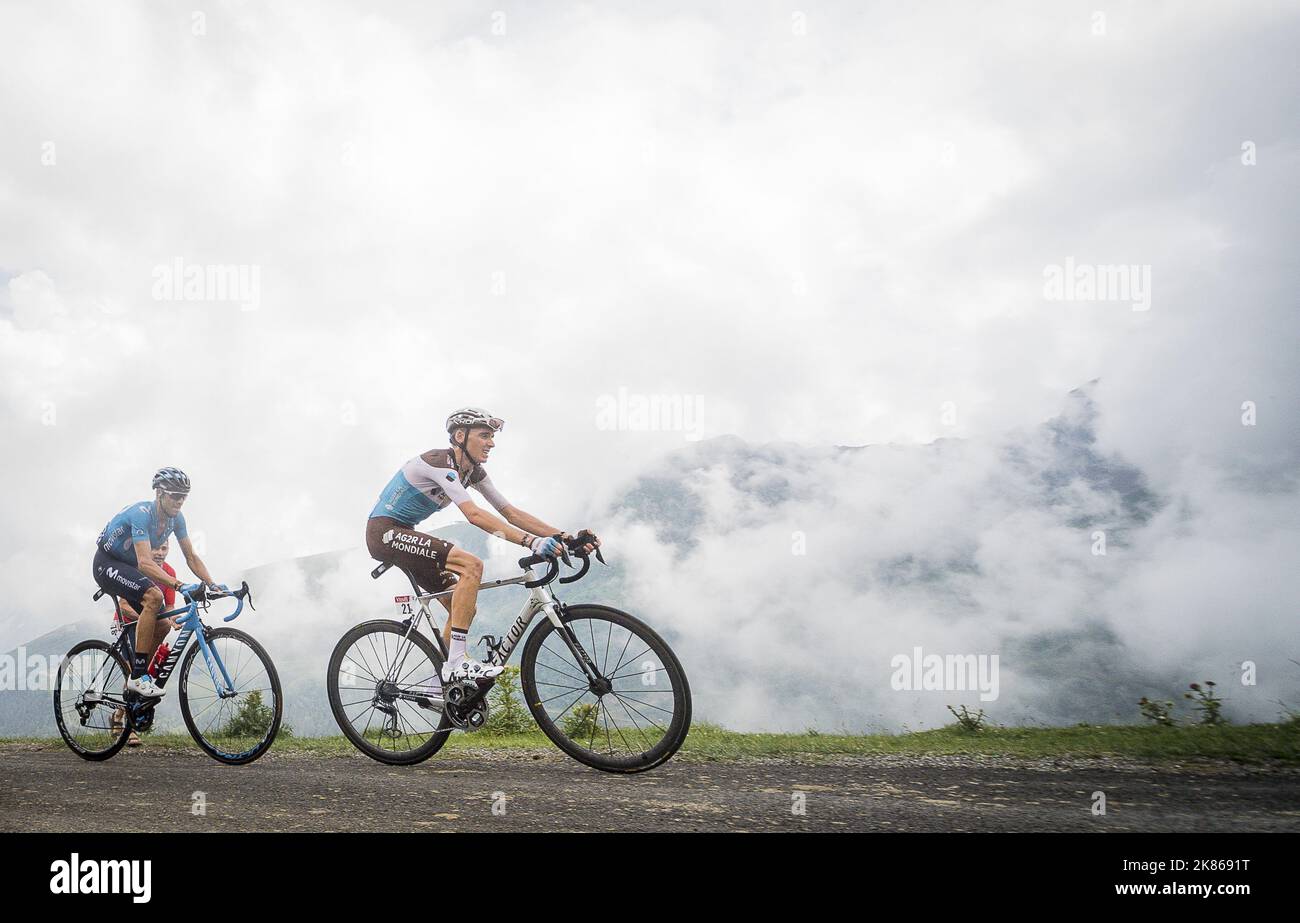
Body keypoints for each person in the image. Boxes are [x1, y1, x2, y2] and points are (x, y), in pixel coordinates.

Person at [366, 407, 600, 683]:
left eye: (492, 436)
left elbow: (511, 513)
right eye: (485, 435)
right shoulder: (439, 463)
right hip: (385, 533)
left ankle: (438, 684)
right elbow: (474, 515)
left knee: (462, 607)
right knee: (472, 566)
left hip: (406, 534)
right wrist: (531, 542)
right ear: (461, 436)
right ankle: (457, 662)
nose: (491, 442)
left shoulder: (473, 473)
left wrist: (565, 537)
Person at [93, 468, 219, 699]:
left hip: (128, 566)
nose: (180, 501)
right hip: (107, 563)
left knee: (162, 624)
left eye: (184, 496)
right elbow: (144, 563)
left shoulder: (176, 519)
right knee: (154, 596)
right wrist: (180, 585)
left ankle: (136, 675)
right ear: (160, 493)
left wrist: (212, 584)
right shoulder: (142, 514)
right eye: (175, 495)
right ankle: (138, 676)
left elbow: (191, 556)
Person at [110, 540, 179, 745]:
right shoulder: (135, 568)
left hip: (149, 629)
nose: (159, 553)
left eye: (164, 548)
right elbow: (123, 605)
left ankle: (118, 715)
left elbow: (169, 609)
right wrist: (146, 620)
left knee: (143, 675)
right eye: (155, 548)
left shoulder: (169, 572)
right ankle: (129, 729)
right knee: (135, 673)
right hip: (126, 624)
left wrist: (172, 621)